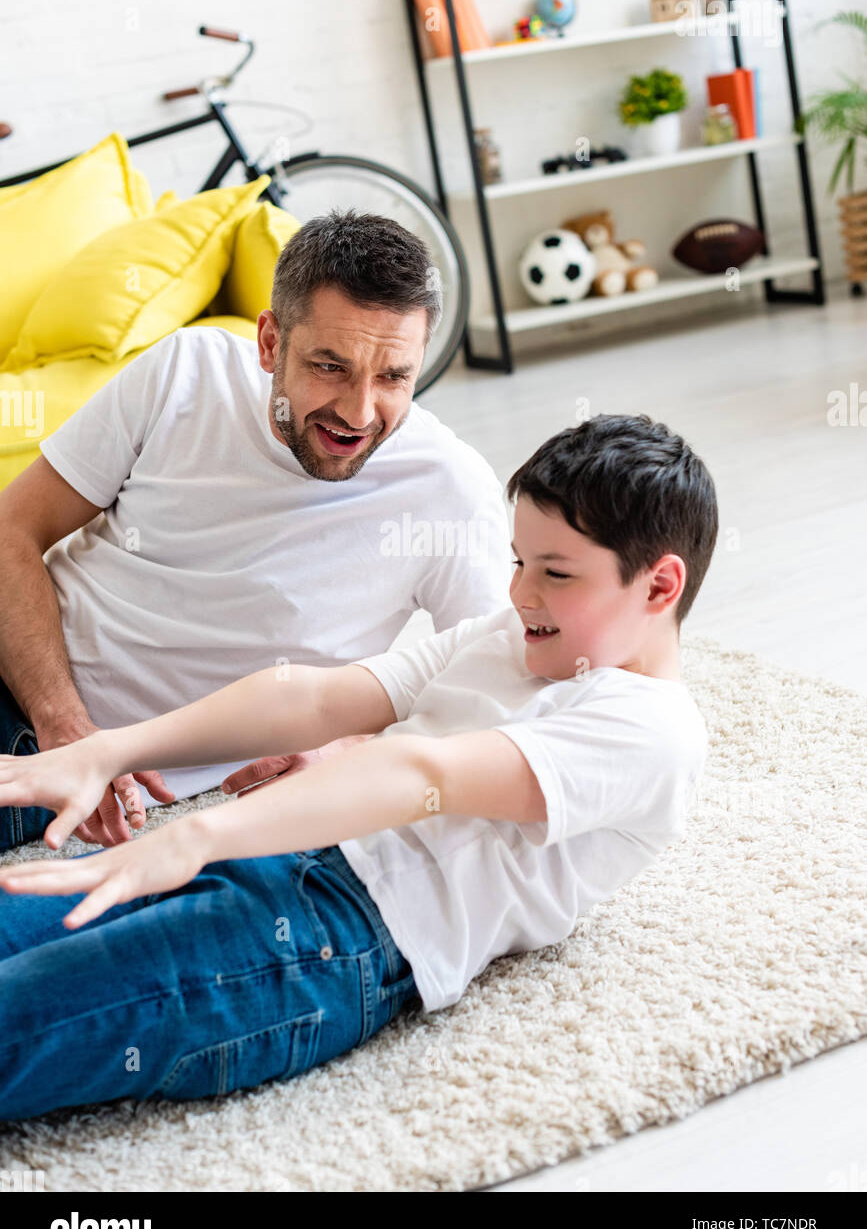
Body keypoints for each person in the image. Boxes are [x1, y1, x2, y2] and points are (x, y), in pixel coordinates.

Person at [0, 413, 717, 1122]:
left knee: (22, 1018)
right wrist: (110, 749)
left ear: (658, 587)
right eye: (517, 563)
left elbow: (420, 776)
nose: (518, 595)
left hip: (333, 933)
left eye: (554, 573)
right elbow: (315, 697)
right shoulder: (510, 635)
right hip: (275, 844)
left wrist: (192, 836)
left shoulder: (653, 732)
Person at [0, 208, 511, 851]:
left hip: (58, 752)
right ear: (270, 342)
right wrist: (63, 725)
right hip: (30, 681)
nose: (358, 412)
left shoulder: (448, 490)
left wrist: (349, 748)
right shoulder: (186, 372)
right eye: (331, 366)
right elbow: (12, 529)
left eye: (393, 377)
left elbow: (496, 680)